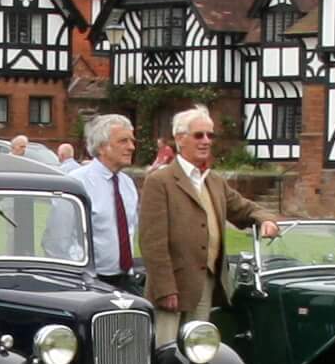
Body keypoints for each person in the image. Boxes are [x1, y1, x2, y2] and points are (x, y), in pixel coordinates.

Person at [136, 105, 278, 325]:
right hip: (172, 286)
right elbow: (152, 242)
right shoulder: (160, 182)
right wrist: (165, 289)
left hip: (204, 283)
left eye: (210, 135)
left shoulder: (214, 181)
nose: (206, 141)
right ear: (180, 139)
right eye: (199, 135)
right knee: (167, 352)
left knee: (198, 349)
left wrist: (265, 219)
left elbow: (244, 208)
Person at [65, 113, 141, 290]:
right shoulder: (77, 183)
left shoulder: (127, 184)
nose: (131, 147)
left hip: (125, 280)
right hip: (89, 281)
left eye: (132, 141)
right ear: (102, 147)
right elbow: (57, 241)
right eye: (123, 141)